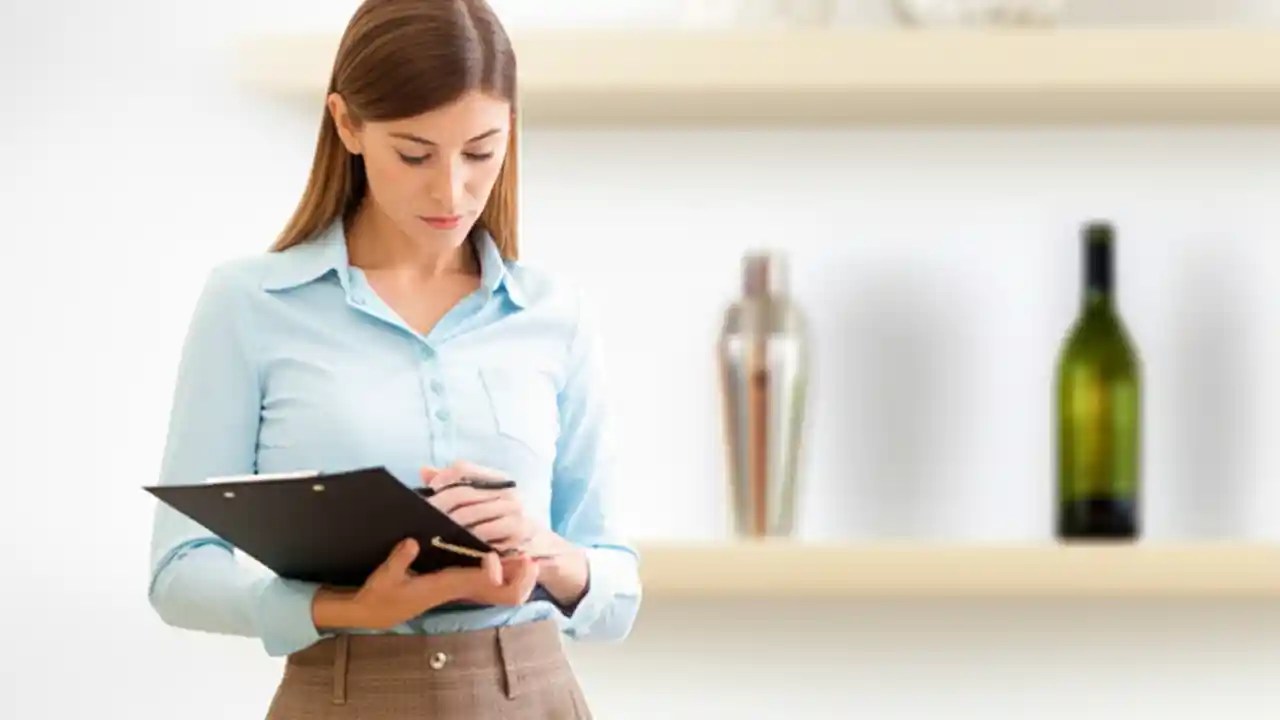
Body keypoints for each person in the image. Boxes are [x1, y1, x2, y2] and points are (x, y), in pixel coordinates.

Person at [145, 0, 641, 716]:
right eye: (414, 153)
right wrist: (338, 606)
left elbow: (616, 590)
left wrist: (542, 550)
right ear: (347, 124)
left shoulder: (554, 314)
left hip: (528, 694)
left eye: (481, 151)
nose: (451, 190)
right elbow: (178, 572)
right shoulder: (248, 304)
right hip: (342, 692)